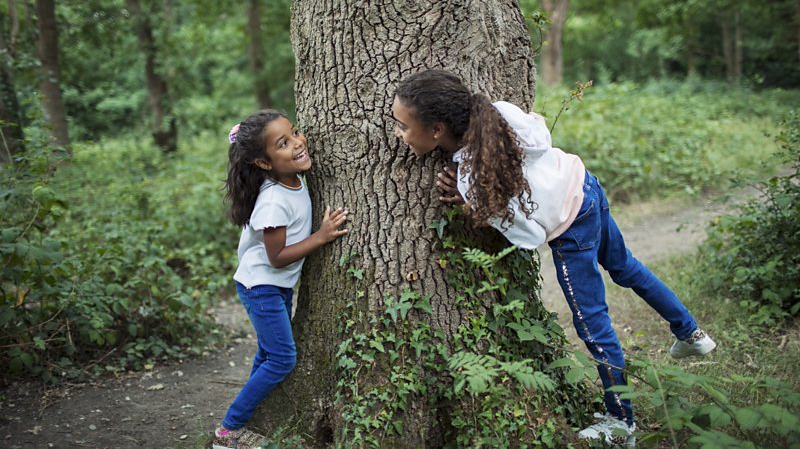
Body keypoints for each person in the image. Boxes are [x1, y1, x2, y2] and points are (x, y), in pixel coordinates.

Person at [390, 70, 716, 445]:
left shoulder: (470, 179)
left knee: (592, 323)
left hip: (570, 228)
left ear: (436, 130)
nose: (398, 133)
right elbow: (541, 135)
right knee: (626, 268)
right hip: (586, 186)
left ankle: (621, 422)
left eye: (402, 126)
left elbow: (530, 237)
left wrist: (470, 208)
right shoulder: (498, 113)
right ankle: (690, 332)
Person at [215, 110, 349, 449]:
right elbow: (276, 257)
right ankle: (229, 430)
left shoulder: (293, 177)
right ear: (264, 163)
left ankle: (250, 414)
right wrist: (321, 236)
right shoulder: (273, 200)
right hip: (261, 286)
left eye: (294, 133)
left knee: (267, 353)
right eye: (284, 143)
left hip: (274, 285)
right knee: (282, 358)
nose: (298, 143)